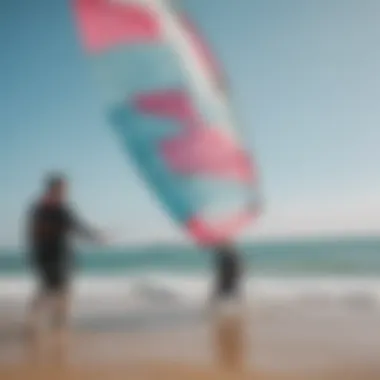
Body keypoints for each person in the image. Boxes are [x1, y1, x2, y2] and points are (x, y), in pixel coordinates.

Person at [26, 173, 103, 337]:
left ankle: (51, 325)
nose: (65, 191)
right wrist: (95, 236)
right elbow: (37, 233)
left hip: (61, 256)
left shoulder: (57, 208)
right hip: (49, 256)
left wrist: (95, 236)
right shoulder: (46, 209)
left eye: (65, 188)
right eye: (62, 188)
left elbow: (78, 226)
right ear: (53, 188)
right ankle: (39, 325)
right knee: (51, 291)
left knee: (58, 290)